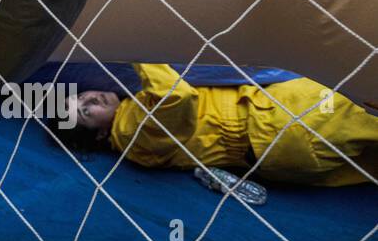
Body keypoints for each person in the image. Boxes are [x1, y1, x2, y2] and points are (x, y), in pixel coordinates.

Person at [58, 62, 378, 187]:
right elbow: (178, 98)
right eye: (86, 111)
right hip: (284, 123)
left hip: (286, 152)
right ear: (100, 133)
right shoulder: (130, 130)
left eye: (83, 96)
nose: (93, 99)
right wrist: (140, 54)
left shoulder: (133, 131)